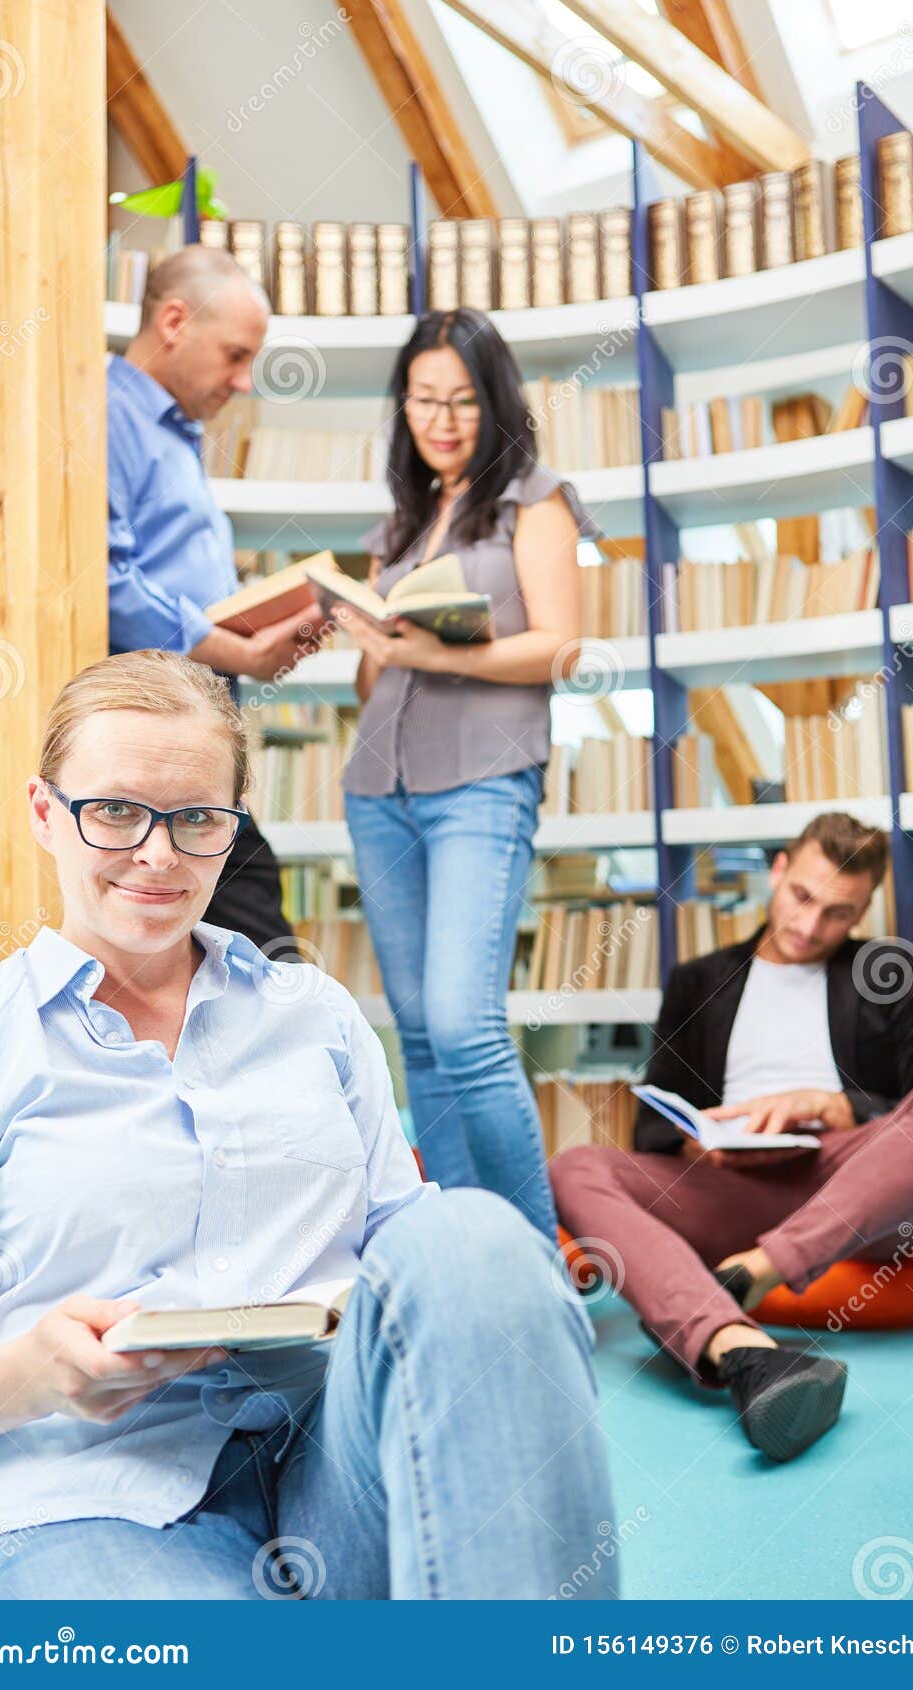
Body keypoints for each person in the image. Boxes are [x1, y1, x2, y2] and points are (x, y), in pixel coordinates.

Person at [0, 650, 617, 1601]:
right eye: (114, 811)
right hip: (87, 1494)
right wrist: (33, 1376)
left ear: (234, 825)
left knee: (474, 1237)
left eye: (197, 819)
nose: (158, 855)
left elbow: (422, 1265)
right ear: (44, 812)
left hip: (341, 1467)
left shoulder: (315, 1015)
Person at [551, 811, 913, 1463]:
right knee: (575, 1167)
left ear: (863, 910)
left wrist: (838, 1107)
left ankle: (752, 1274)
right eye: (802, 896)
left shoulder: (890, 971)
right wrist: (699, 1142)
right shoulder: (699, 980)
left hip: (856, 1192)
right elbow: (652, 1125)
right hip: (729, 1187)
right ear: (777, 871)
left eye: (837, 913)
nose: (810, 925)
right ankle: (744, 1351)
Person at [335, 307, 601, 1241]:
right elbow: (377, 680)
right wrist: (371, 638)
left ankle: (533, 1265)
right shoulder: (401, 522)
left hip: (483, 781)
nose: (440, 421)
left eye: (460, 401)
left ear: (495, 402)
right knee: (417, 1037)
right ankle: (460, 1260)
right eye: (422, 400)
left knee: (463, 1025)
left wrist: (439, 653)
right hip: (379, 787)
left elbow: (561, 647)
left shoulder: (537, 498)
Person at [107, 244, 317, 956]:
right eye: (234, 355)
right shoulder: (110, 414)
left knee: (230, 936)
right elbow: (105, 580)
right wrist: (235, 651)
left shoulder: (174, 433)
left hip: (191, 728)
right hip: (149, 733)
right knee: (257, 928)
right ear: (173, 321)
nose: (244, 381)